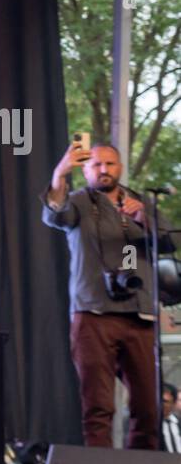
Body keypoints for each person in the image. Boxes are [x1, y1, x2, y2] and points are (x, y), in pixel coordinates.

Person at [42, 141, 175, 448]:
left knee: (148, 405)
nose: (104, 170)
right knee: (99, 405)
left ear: (120, 167)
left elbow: (169, 243)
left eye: (110, 164)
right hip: (94, 312)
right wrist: (60, 174)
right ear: (86, 170)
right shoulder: (77, 202)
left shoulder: (141, 203)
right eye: (96, 165)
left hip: (140, 314)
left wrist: (145, 219)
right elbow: (55, 215)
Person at [163, 383, 180, 454]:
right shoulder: (151, 425)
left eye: (165, 401)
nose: (161, 404)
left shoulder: (178, 423)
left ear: (173, 403)